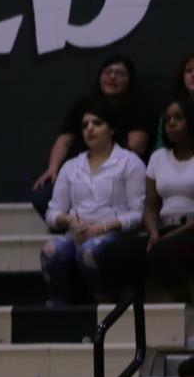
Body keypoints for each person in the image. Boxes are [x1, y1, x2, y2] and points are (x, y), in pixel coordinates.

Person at [41, 99, 145, 307]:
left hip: (116, 234)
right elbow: (52, 213)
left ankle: (103, 302)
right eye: (85, 125)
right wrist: (70, 220)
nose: (90, 128)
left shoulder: (129, 162)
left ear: (112, 128)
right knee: (51, 249)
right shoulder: (71, 166)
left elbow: (137, 215)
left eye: (97, 123)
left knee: (90, 250)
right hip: (78, 232)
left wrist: (101, 227)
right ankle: (60, 304)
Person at [32, 54, 154, 206]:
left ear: (130, 79)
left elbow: (136, 147)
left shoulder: (140, 106)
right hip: (81, 170)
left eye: (119, 73)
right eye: (107, 72)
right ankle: (75, 225)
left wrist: (104, 167)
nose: (112, 77)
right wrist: (53, 168)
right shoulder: (83, 104)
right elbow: (64, 140)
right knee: (41, 198)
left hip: (119, 171)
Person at [141, 96, 194, 297]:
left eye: (178, 118)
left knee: (161, 252)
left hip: (189, 229)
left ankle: (186, 303)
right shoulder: (157, 157)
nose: (171, 123)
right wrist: (155, 233)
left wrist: (167, 238)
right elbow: (151, 207)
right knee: (110, 254)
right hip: (163, 228)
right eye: (168, 118)